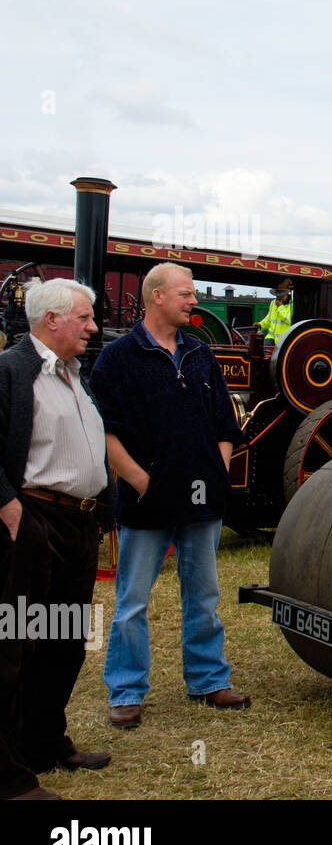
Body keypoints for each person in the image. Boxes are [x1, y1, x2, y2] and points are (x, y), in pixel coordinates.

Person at [92, 263, 249, 730]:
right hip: (146, 503)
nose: (193, 301)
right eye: (185, 293)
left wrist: (218, 469)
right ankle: (125, 690)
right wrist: (141, 482)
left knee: (202, 594)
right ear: (156, 296)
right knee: (132, 601)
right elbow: (104, 431)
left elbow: (225, 423)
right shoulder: (118, 358)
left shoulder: (200, 354)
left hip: (203, 501)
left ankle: (207, 679)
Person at [0, 278, 113, 800]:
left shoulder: (74, 374)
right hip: (32, 523)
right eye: (85, 318)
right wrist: (9, 508)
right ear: (51, 320)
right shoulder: (10, 371)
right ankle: (8, 774)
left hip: (77, 525)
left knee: (64, 641)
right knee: (14, 648)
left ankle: (44, 743)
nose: (94, 327)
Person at [257, 279, 293, 346]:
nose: (279, 298)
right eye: (277, 296)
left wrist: (280, 307)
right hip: (270, 338)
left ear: (287, 294)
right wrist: (260, 325)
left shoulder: (292, 304)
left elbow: (289, 320)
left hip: (284, 339)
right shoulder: (273, 303)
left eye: (281, 295)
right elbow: (269, 319)